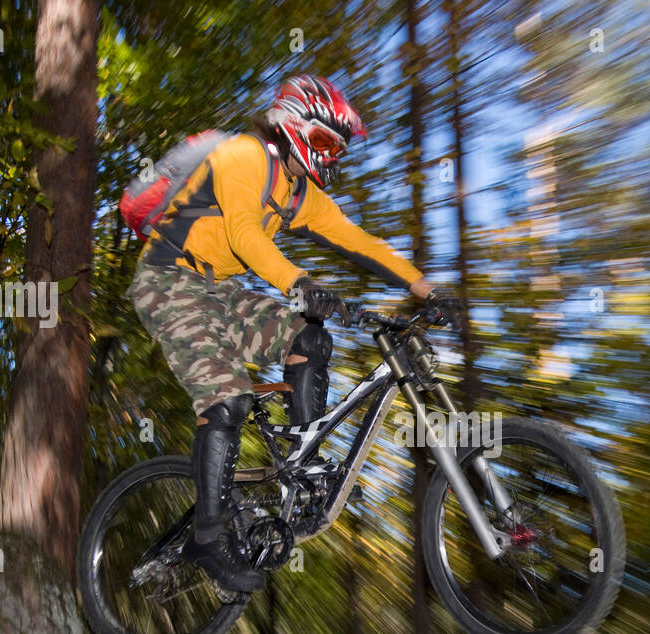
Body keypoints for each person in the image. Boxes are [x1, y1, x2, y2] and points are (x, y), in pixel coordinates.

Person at [128, 74, 461, 594]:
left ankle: (300, 460)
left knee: (310, 338)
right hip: (168, 280)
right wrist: (299, 284)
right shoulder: (243, 155)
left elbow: (361, 243)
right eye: (327, 142)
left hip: (218, 292)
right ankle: (208, 536)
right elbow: (243, 233)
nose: (333, 156)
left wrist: (426, 291)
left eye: (338, 148)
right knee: (228, 397)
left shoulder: (299, 195)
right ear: (294, 124)